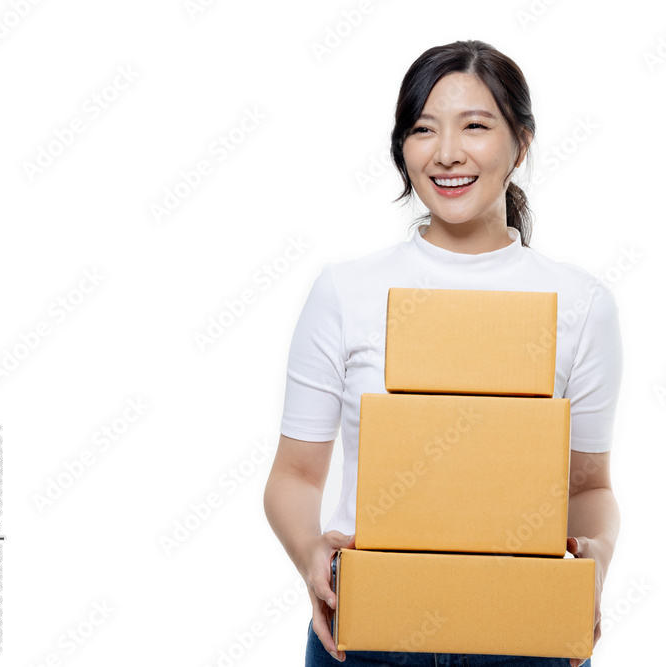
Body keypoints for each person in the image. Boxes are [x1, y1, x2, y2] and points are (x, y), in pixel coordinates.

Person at [263, 39, 623, 666]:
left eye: (475, 126)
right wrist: (309, 553)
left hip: (526, 631)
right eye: (424, 129)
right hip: (372, 632)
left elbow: (589, 486)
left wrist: (598, 559)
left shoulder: (581, 303)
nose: (448, 152)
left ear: (522, 142)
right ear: (402, 147)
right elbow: (293, 476)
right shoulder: (346, 292)